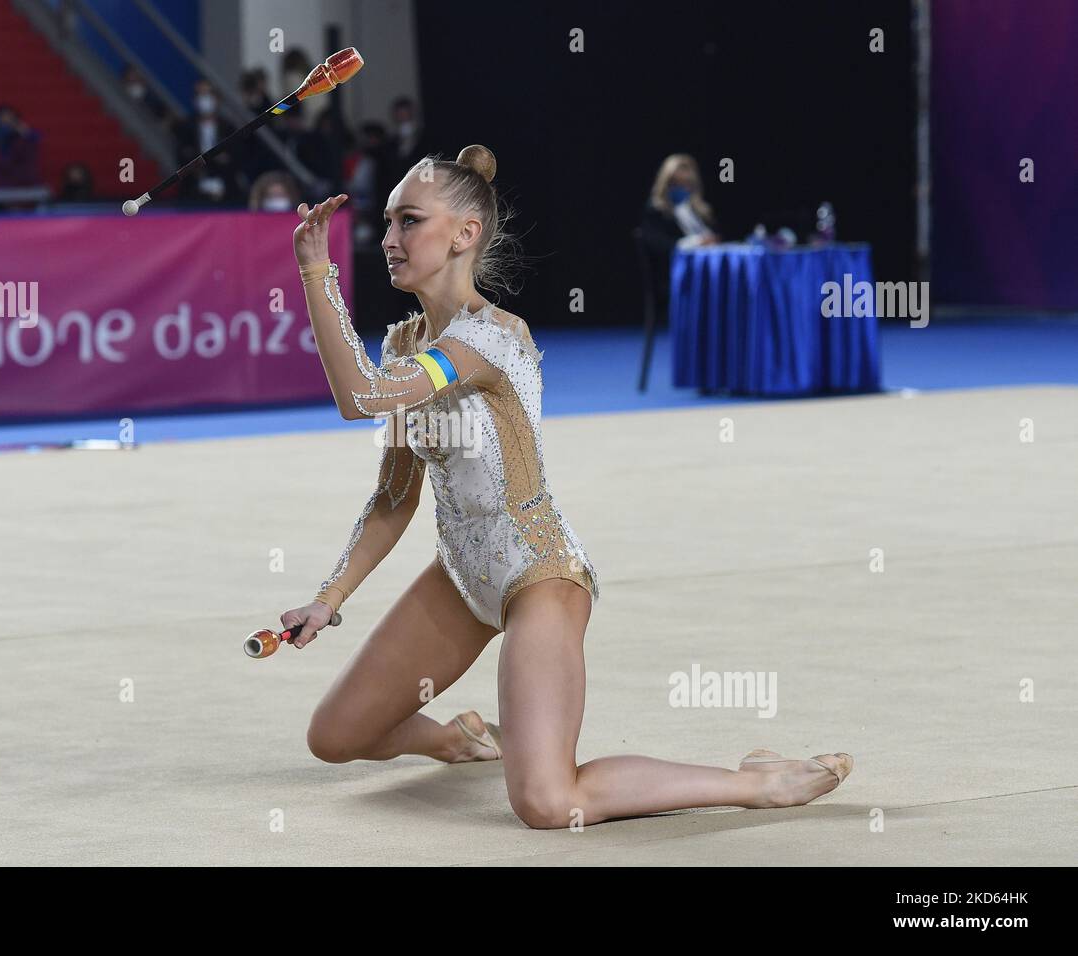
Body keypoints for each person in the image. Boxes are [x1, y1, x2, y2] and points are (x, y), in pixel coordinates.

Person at [283, 144, 854, 828]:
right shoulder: (405, 346)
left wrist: (317, 271)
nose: (390, 238)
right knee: (335, 736)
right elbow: (394, 495)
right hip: (462, 579)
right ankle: (454, 737)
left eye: (409, 221)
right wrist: (328, 598)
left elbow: (362, 399)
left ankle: (758, 782)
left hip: (538, 576)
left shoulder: (490, 340)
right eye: (389, 222)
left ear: (464, 235)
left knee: (551, 803)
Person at [638, 153, 720, 316]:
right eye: (675, 183)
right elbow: (658, 245)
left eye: (686, 184)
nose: (681, 188)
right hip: (676, 275)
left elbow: (716, 236)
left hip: (708, 271)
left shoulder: (700, 211)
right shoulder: (656, 210)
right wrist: (695, 243)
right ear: (666, 183)